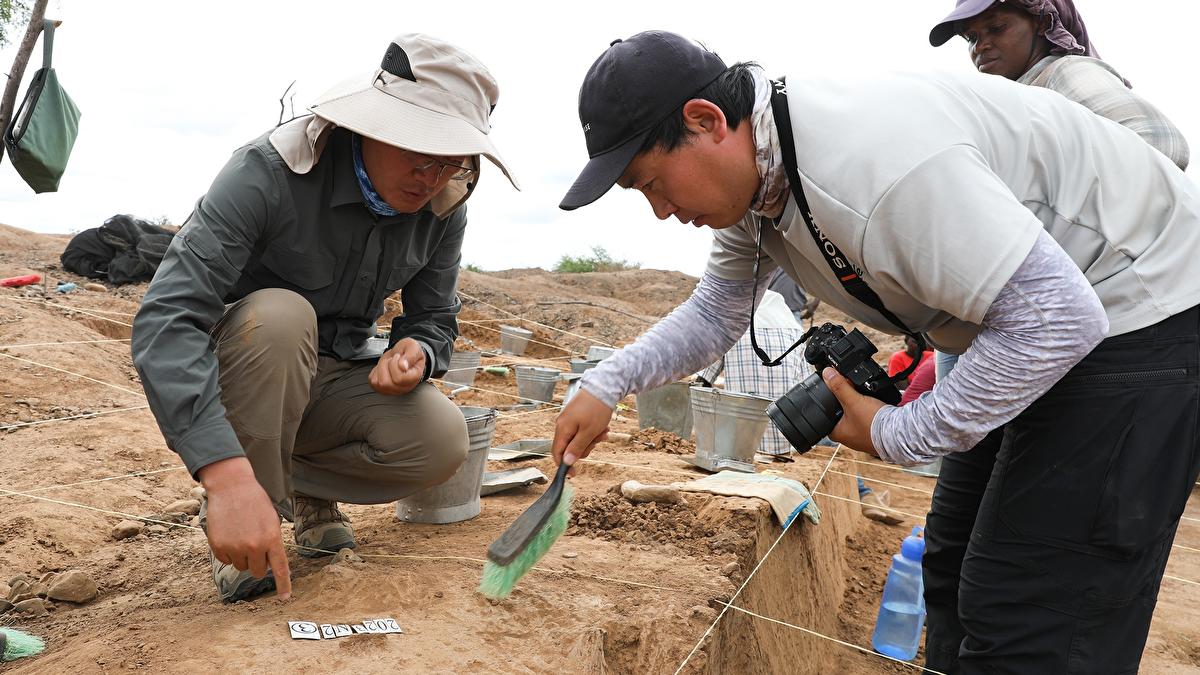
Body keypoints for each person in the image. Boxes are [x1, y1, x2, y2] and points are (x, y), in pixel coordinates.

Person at [552, 30, 1200, 673]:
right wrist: (607, 382)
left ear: (706, 121)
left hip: (1142, 308)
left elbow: (1056, 315)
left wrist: (896, 430)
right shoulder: (762, 185)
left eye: (651, 183)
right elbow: (719, 311)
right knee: (952, 563)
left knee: (1032, 619)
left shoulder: (872, 165)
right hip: (1034, 319)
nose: (661, 211)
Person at [130, 34, 518, 603]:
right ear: (374, 126)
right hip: (242, 374)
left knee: (440, 439)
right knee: (282, 318)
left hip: (331, 378)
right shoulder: (267, 172)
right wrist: (224, 473)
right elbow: (166, 319)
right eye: (421, 152)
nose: (432, 177)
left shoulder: (444, 203)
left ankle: (300, 493)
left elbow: (434, 314)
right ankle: (246, 510)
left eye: (452, 161)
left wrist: (420, 351)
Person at [929, 0, 1191, 386]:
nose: (980, 46)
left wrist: (1063, 226)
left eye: (996, 28)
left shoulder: (1061, 75)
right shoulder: (1014, 100)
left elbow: (1160, 144)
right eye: (971, 38)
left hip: (1123, 306)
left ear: (1041, 23)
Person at [697, 288, 811, 458]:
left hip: (738, 446)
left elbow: (703, 381)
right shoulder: (796, 333)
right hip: (785, 445)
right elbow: (806, 387)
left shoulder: (732, 329)